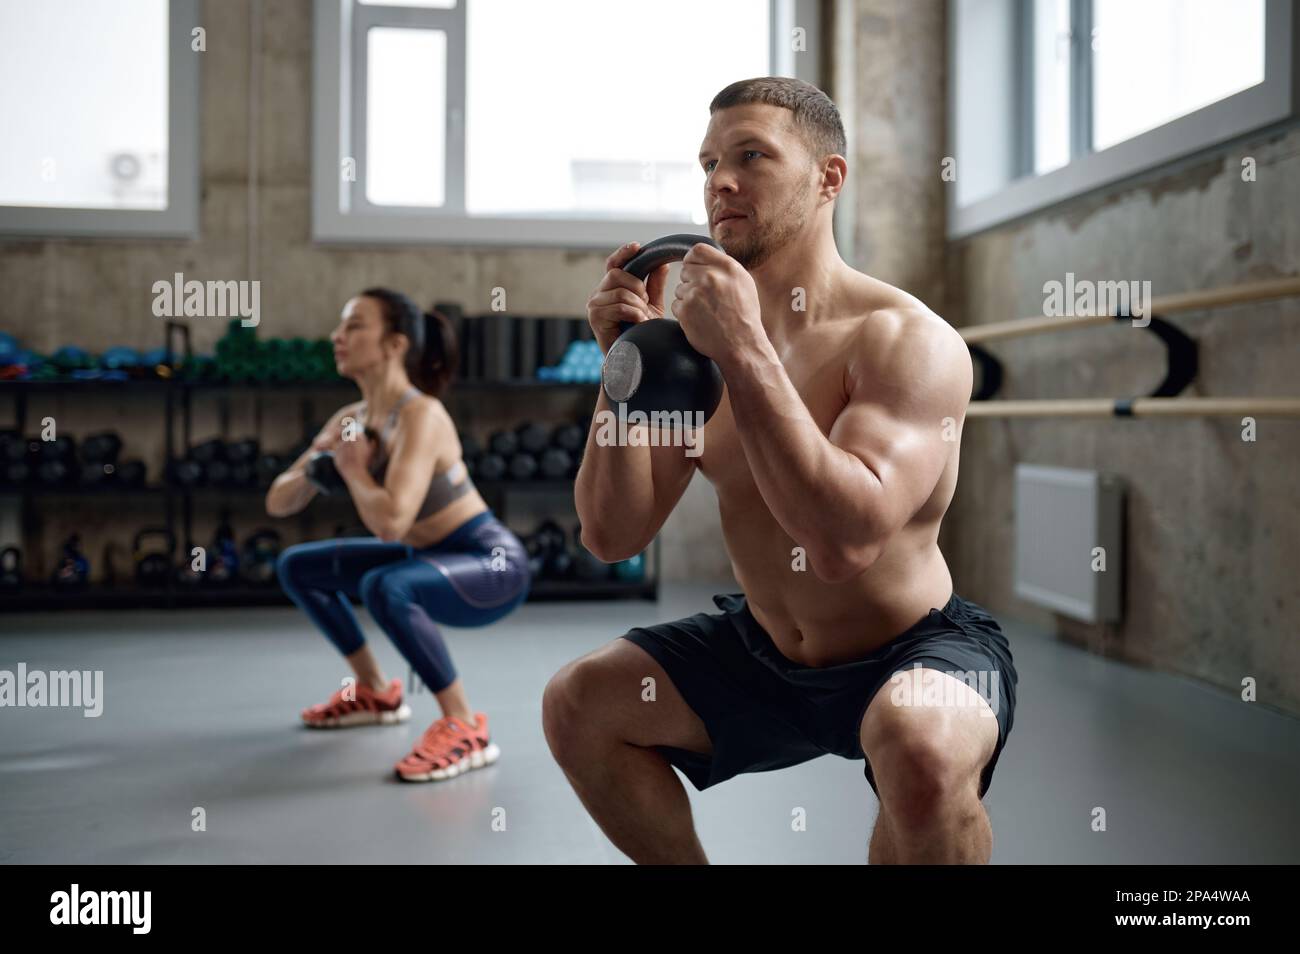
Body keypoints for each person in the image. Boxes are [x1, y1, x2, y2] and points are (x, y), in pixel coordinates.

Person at [543, 77, 1018, 863]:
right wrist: (623, 364)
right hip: (764, 654)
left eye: (752, 156)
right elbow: (611, 532)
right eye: (708, 164)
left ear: (828, 178)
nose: (719, 182)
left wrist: (744, 347)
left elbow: (842, 543)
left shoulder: (905, 340)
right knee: (578, 704)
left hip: (916, 650)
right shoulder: (695, 357)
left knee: (922, 749)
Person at [267, 288, 530, 782]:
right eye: (340, 327)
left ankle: (464, 724)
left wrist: (352, 471)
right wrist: (317, 468)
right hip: (427, 554)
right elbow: (277, 501)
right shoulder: (350, 419)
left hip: (491, 563)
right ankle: (374, 692)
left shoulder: (421, 415)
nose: (337, 337)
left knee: (387, 585)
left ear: (395, 344)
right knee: (298, 566)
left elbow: (390, 522)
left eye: (353, 326)